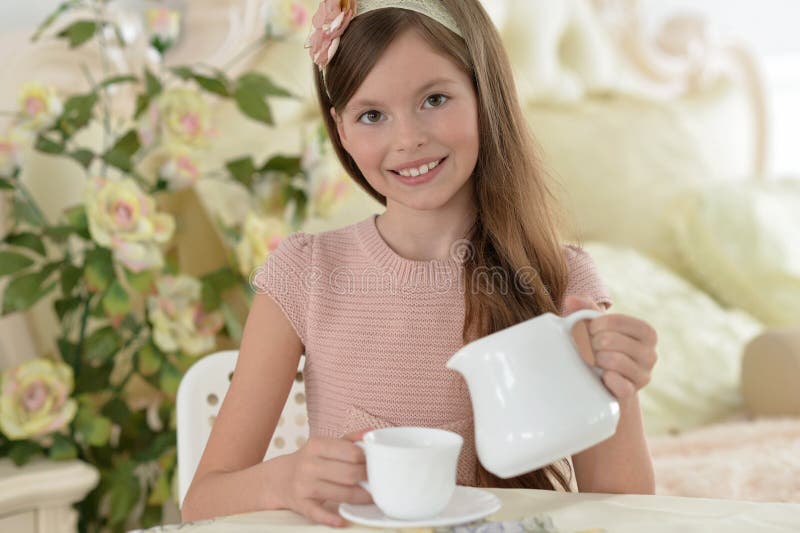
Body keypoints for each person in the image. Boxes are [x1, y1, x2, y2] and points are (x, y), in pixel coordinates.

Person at [181, 0, 658, 527]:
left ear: (484, 95)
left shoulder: (557, 279)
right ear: (341, 129)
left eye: (434, 99)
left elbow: (623, 509)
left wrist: (619, 388)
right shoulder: (305, 275)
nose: (407, 138)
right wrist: (284, 479)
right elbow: (203, 501)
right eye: (372, 115)